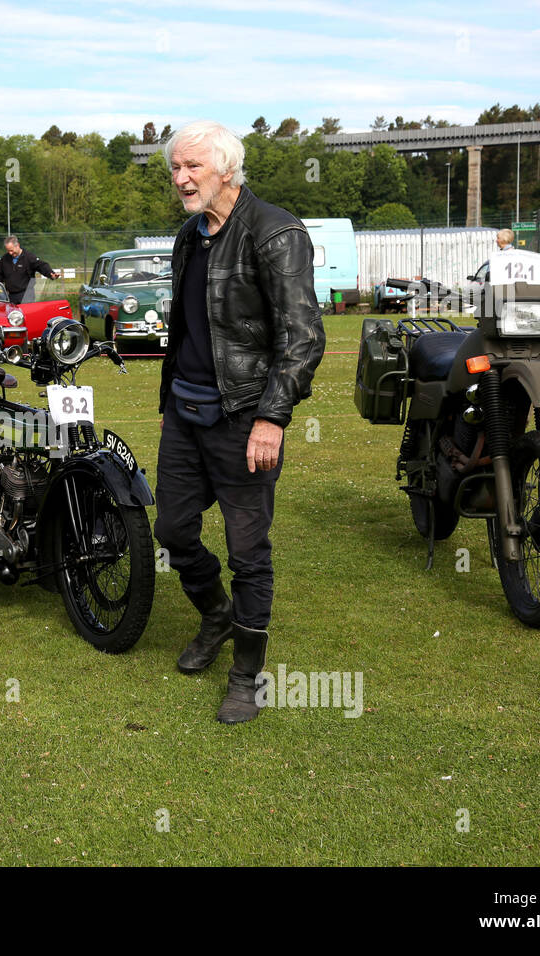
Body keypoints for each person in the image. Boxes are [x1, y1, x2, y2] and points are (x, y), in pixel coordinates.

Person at [154, 120, 326, 725]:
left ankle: (247, 675)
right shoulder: (187, 235)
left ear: (226, 168)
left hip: (245, 417)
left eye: (192, 167)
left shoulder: (274, 231)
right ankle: (216, 615)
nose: (181, 178)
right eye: (175, 168)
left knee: (248, 550)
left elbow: (302, 337)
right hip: (185, 411)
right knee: (172, 532)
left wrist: (271, 418)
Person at [0, 236, 60, 304]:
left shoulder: (29, 257)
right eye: (8, 251)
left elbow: (41, 265)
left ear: (18, 245)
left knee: (27, 314)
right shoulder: (4, 259)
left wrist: (50, 273)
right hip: (10, 296)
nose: (10, 253)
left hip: (27, 295)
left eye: (11, 250)